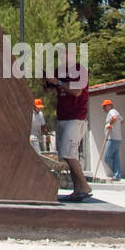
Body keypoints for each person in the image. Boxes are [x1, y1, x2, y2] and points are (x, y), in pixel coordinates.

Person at [46, 60, 93, 201]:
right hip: (63, 116)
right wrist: (48, 81)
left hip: (76, 117)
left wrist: (58, 82)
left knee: (69, 153)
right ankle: (77, 189)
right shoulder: (59, 70)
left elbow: (77, 92)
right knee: (68, 155)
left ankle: (85, 185)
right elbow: (49, 91)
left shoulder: (80, 70)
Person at [102, 99, 123, 181]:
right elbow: (122, 120)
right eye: (103, 107)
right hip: (117, 138)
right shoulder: (116, 112)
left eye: (105, 106)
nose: (104, 108)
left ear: (110, 106)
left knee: (107, 157)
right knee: (116, 157)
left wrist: (110, 125)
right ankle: (117, 175)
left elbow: (114, 118)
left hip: (113, 138)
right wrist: (116, 127)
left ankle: (117, 172)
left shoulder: (112, 112)